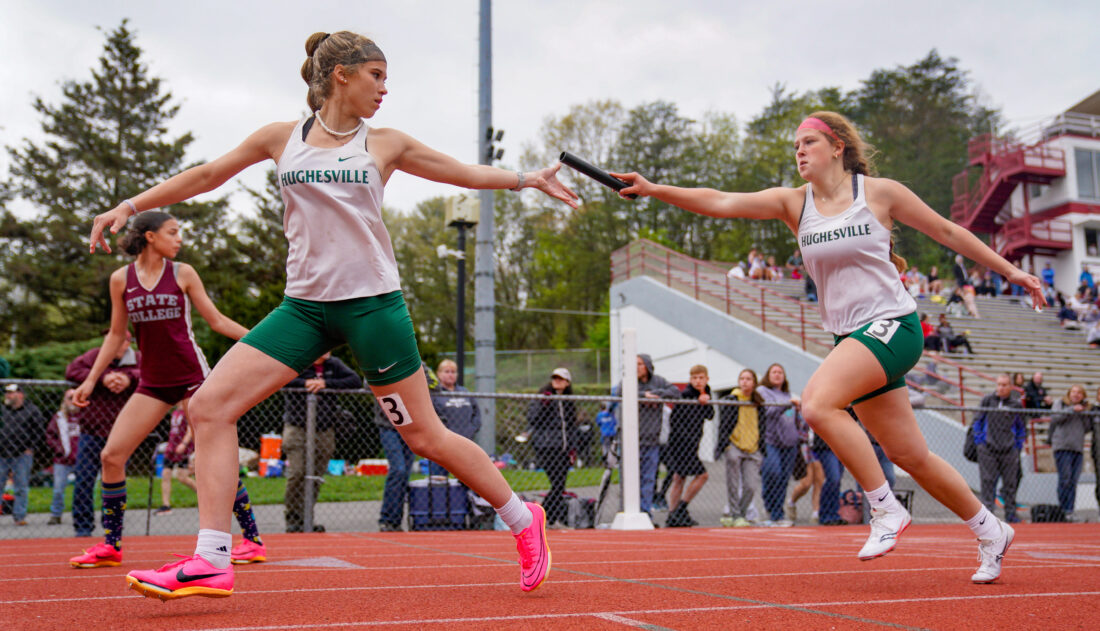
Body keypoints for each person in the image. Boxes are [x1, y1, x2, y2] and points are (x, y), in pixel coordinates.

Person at [90, 31, 576, 599]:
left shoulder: (385, 144)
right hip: (304, 310)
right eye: (376, 75)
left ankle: (523, 519)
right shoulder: (281, 137)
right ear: (341, 74)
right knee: (210, 407)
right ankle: (211, 558)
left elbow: (460, 171)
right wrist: (131, 205)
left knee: (424, 436)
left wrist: (528, 178)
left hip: (372, 309)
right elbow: (206, 176)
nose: (385, 88)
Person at [613, 111, 1046, 583]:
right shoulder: (793, 203)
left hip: (893, 326)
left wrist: (1011, 272)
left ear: (837, 146)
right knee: (910, 455)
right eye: (795, 145)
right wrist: (655, 189)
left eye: (810, 142)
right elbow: (719, 201)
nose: (799, 151)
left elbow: (947, 232)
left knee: (817, 404)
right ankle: (990, 529)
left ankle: (884, 508)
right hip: (852, 338)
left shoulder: (879, 193)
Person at [68, 210, 266, 570]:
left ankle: (252, 540)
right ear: (149, 236)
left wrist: (268, 340)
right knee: (111, 456)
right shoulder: (120, 279)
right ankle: (111, 545)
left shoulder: (183, 273)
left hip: (193, 377)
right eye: (173, 232)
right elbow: (116, 336)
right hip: (153, 380)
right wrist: (90, 379)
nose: (179, 239)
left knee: (210, 460)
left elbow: (216, 320)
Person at [65, 333, 141, 537]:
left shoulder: (138, 359)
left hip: (122, 432)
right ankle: (82, 528)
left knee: (115, 481)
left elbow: (154, 375)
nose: (116, 343)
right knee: (83, 479)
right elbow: (72, 370)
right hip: (92, 430)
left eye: (123, 340)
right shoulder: (94, 356)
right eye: (111, 339)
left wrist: (129, 378)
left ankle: (112, 528)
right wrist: (103, 377)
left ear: (128, 343)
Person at [282, 351, 361, 532]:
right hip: (297, 426)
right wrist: (305, 383)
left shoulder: (334, 364)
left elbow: (355, 381)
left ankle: (307, 518)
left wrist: (325, 383)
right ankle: (293, 519)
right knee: (298, 472)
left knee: (315, 475)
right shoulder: (299, 361)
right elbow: (279, 379)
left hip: (324, 427)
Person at [611, 355, 678, 516]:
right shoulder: (627, 381)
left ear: (647, 366)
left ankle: (645, 512)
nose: (637, 367)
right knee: (628, 480)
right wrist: (643, 396)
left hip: (651, 440)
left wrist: (656, 393)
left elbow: (675, 393)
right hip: (628, 441)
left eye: (640, 364)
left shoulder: (658, 381)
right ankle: (626, 511)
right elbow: (619, 393)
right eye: (634, 364)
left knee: (648, 479)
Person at [375, 362, 438, 532]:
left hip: (410, 425)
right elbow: (368, 383)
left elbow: (434, 383)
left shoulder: (416, 362)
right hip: (388, 426)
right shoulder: (379, 358)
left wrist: (411, 385)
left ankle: (396, 520)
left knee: (406, 472)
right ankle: (387, 518)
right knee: (398, 469)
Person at [525, 368, 577, 527]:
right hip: (547, 447)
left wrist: (573, 448)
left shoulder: (569, 401)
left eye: (561, 379)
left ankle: (549, 518)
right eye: (555, 378)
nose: (557, 381)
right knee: (557, 485)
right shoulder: (543, 396)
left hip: (563, 448)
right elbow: (533, 419)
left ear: (567, 382)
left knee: (560, 486)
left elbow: (572, 426)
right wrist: (544, 404)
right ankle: (542, 517)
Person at [972, 374, 1026, 524]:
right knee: (988, 482)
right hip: (988, 449)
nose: (1001, 388)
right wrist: (980, 441)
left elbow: (1022, 427)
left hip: (1009, 450)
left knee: (1010, 483)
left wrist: (1017, 446)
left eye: (1004, 385)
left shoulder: (1016, 405)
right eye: (999, 384)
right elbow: (977, 421)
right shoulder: (988, 400)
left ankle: (1010, 514)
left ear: (1010, 386)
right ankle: (987, 515)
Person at [664, 365, 713, 528]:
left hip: (693, 443)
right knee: (702, 475)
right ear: (690, 380)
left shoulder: (705, 393)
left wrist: (705, 400)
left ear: (707, 379)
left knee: (679, 477)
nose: (698, 381)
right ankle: (680, 508)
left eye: (701, 378)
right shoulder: (686, 395)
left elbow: (710, 415)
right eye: (694, 378)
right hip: (681, 443)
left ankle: (673, 514)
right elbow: (676, 421)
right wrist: (697, 401)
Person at [717, 368, 764, 527]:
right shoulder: (732, 399)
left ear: (754, 382)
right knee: (733, 483)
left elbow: (762, 425)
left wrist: (760, 447)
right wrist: (726, 446)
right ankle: (735, 514)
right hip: (735, 445)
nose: (744, 382)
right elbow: (723, 424)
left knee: (751, 485)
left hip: (753, 447)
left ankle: (740, 514)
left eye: (748, 379)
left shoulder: (758, 401)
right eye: (742, 378)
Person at [759, 363, 805, 527]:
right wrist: (788, 404)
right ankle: (769, 510)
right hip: (770, 441)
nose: (777, 375)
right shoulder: (763, 391)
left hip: (790, 444)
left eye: (780, 372)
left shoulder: (787, 394)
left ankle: (778, 514)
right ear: (768, 375)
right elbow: (768, 412)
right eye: (774, 372)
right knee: (773, 472)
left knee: (784, 479)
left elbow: (795, 420)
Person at [0, 384, 45, 526]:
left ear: (21, 394)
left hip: (22, 454)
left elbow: (39, 431)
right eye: (6, 392)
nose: (7, 395)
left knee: (21, 486)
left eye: (11, 393)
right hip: (2, 452)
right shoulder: (2, 410)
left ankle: (19, 516)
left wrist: (31, 447)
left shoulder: (32, 410)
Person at [1049, 385, 1092, 522]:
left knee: (1073, 482)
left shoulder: (1083, 409)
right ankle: (1063, 510)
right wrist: (1071, 409)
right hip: (1063, 447)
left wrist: (1084, 411)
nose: (1076, 395)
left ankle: (1070, 510)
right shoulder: (1060, 403)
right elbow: (1055, 418)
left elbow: (1087, 428)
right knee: (1065, 480)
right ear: (1069, 393)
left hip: (1077, 448)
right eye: (1074, 392)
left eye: (1080, 393)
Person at [432, 359, 482, 475]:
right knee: (439, 479)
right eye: (447, 371)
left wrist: (471, 430)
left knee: (468, 476)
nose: (450, 375)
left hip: (465, 442)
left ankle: (466, 493)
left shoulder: (464, 392)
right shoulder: (435, 393)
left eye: (453, 372)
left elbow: (476, 414)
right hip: (443, 444)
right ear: (439, 374)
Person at [45, 390, 82, 525]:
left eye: (75, 398)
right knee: (58, 489)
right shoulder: (59, 417)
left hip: (82, 460)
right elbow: (50, 436)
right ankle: (56, 514)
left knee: (83, 489)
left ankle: (80, 514)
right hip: (63, 460)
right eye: (69, 398)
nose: (72, 401)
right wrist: (59, 450)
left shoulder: (85, 416)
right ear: (64, 400)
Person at [156, 406, 196, 516]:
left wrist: (184, 443)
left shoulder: (187, 410)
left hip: (182, 447)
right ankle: (166, 505)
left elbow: (190, 429)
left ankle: (205, 497)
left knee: (182, 477)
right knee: (166, 474)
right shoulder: (175, 412)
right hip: (171, 447)